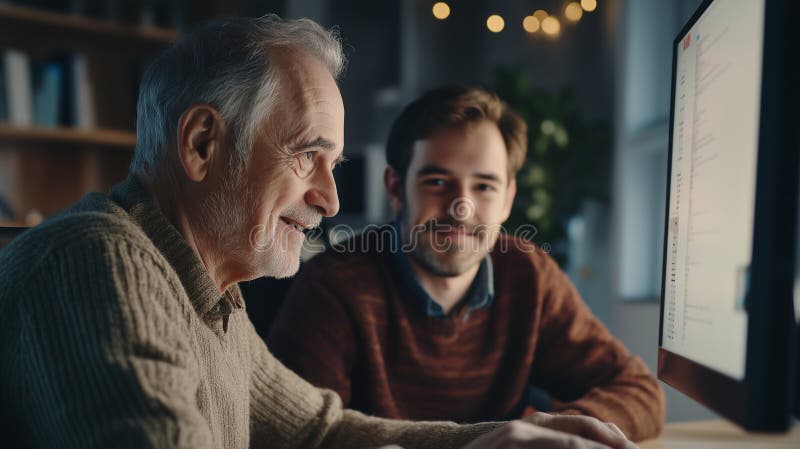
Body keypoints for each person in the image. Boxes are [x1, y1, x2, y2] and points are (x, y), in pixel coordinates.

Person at [0, 16, 640, 449]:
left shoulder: (211, 295)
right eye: (307, 155)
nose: (330, 200)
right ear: (201, 144)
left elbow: (318, 430)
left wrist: (492, 440)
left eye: (332, 164)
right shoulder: (99, 261)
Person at [268, 86, 665, 442]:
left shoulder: (529, 275)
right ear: (395, 188)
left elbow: (641, 392)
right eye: (437, 182)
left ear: (507, 200)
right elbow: (301, 437)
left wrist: (545, 434)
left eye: (484, 186)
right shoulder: (333, 286)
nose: (462, 208)